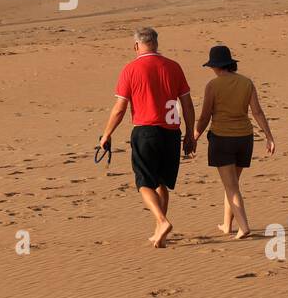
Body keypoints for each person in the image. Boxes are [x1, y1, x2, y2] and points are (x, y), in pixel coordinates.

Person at [97, 27, 196, 248]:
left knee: (143, 182)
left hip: (146, 132)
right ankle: (159, 230)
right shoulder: (173, 67)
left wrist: (107, 134)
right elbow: (187, 104)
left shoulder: (131, 68)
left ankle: (161, 221)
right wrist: (190, 133)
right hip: (172, 132)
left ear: (136, 46)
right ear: (156, 43)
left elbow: (119, 108)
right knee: (162, 182)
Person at [191, 44, 275, 239]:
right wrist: (269, 136)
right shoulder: (247, 83)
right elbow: (257, 112)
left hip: (222, 140)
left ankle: (244, 226)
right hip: (245, 139)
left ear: (215, 66)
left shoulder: (213, 86)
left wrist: (194, 136)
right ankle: (227, 225)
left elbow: (204, 117)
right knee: (232, 183)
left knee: (231, 186)